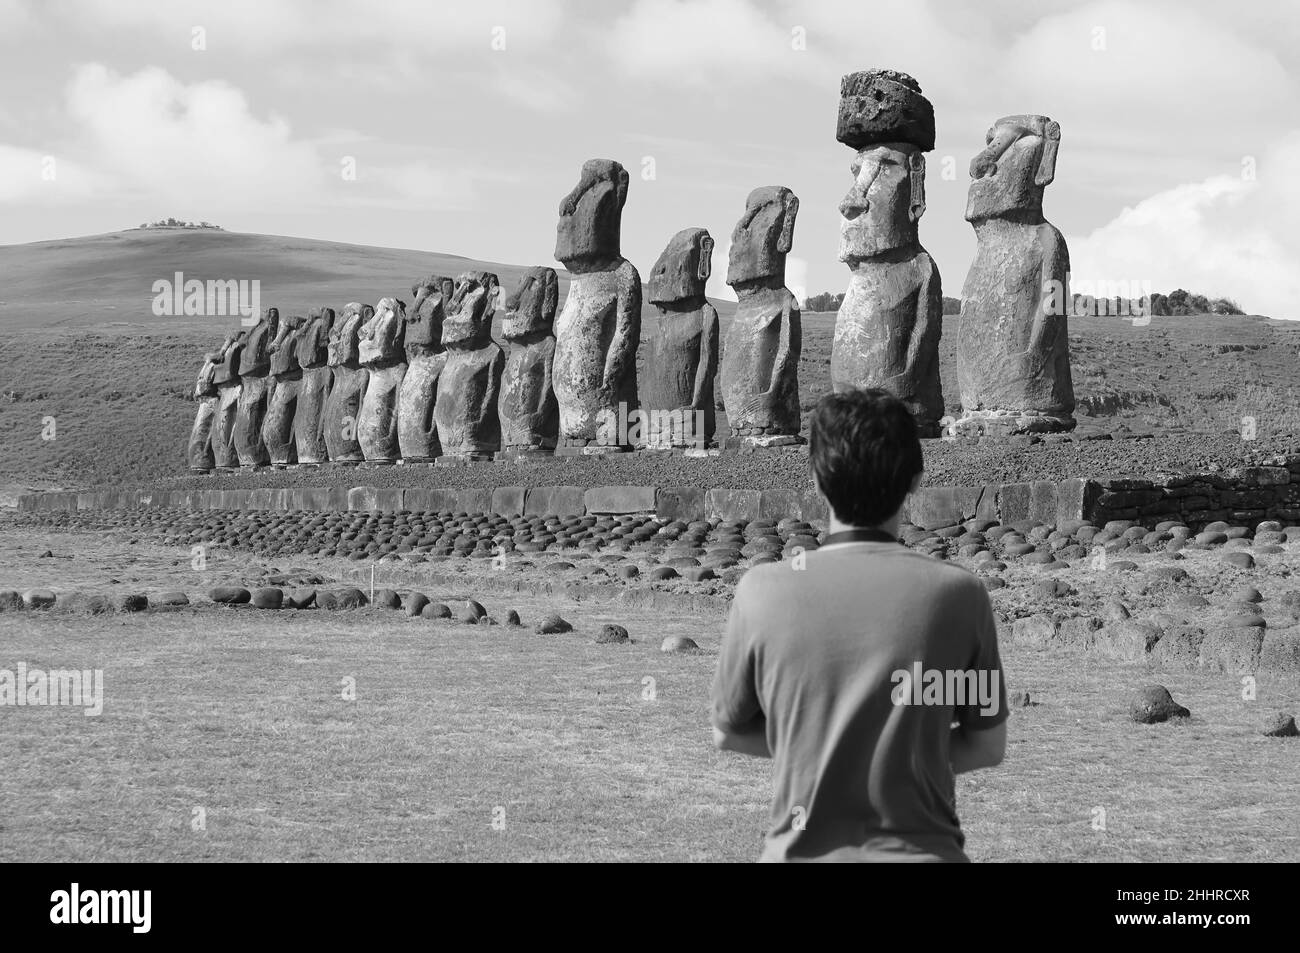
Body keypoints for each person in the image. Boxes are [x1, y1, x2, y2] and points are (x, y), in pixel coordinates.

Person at [711, 387, 1007, 862]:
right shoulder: (961, 595)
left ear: (814, 477)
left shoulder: (761, 591)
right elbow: (987, 745)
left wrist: (817, 748)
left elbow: (728, 730)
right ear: (916, 479)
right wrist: (909, 754)